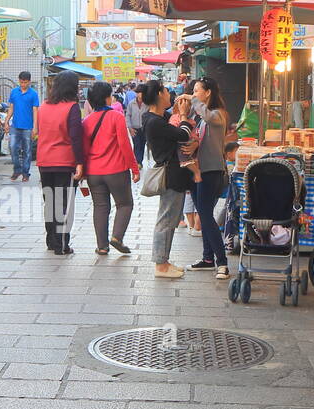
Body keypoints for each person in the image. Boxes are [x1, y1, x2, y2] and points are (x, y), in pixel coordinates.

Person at [141, 80, 193, 278]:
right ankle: (160, 265)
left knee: (171, 219)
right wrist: (185, 116)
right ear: (158, 95)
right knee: (166, 219)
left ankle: (164, 260)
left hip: (175, 173)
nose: (169, 94)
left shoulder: (159, 117)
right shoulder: (155, 122)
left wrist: (181, 112)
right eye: (165, 91)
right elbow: (183, 134)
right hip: (170, 174)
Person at [82, 81, 139, 255]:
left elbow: (83, 150)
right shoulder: (116, 117)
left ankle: (102, 246)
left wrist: (84, 173)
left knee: (100, 207)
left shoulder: (86, 121)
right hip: (116, 171)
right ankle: (117, 237)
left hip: (93, 172)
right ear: (108, 98)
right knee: (125, 204)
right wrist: (134, 168)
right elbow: (124, 145)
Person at [185, 77, 232, 280]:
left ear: (208, 92)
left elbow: (210, 116)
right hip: (198, 170)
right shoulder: (203, 117)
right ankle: (207, 259)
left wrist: (193, 101)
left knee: (205, 215)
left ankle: (222, 262)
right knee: (204, 214)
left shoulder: (217, 114)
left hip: (212, 171)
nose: (194, 94)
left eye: (197, 91)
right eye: (193, 91)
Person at [35, 70, 86, 255]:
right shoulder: (72, 107)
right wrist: (80, 162)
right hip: (64, 161)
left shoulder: (44, 106)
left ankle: (51, 240)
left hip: (44, 160)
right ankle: (61, 245)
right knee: (63, 204)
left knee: (49, 202)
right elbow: (75, 137)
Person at [4, 71, 40, 181]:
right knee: (13, 147)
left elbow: (35, 111)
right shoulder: (14, 92)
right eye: (21, 82)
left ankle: (25, 173)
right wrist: (6, 121)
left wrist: (35, 127)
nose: (22, 84)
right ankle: (17, 170)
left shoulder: (33, 94)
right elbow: (11, 108)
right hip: (15, 126)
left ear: (29, 82)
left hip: (28, 127)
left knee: (27, 151)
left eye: (25, 82)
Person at [124, 84, 146, 166]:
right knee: (136, 145)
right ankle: (138, 162)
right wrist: (129, 127)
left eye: (142, 93)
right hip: (134, 128)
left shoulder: (147, 104)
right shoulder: (131, 103)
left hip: (144, 129)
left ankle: (139, 161)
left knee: (142, 145)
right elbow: (128, 115)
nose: (140, 94)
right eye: (139, 93)